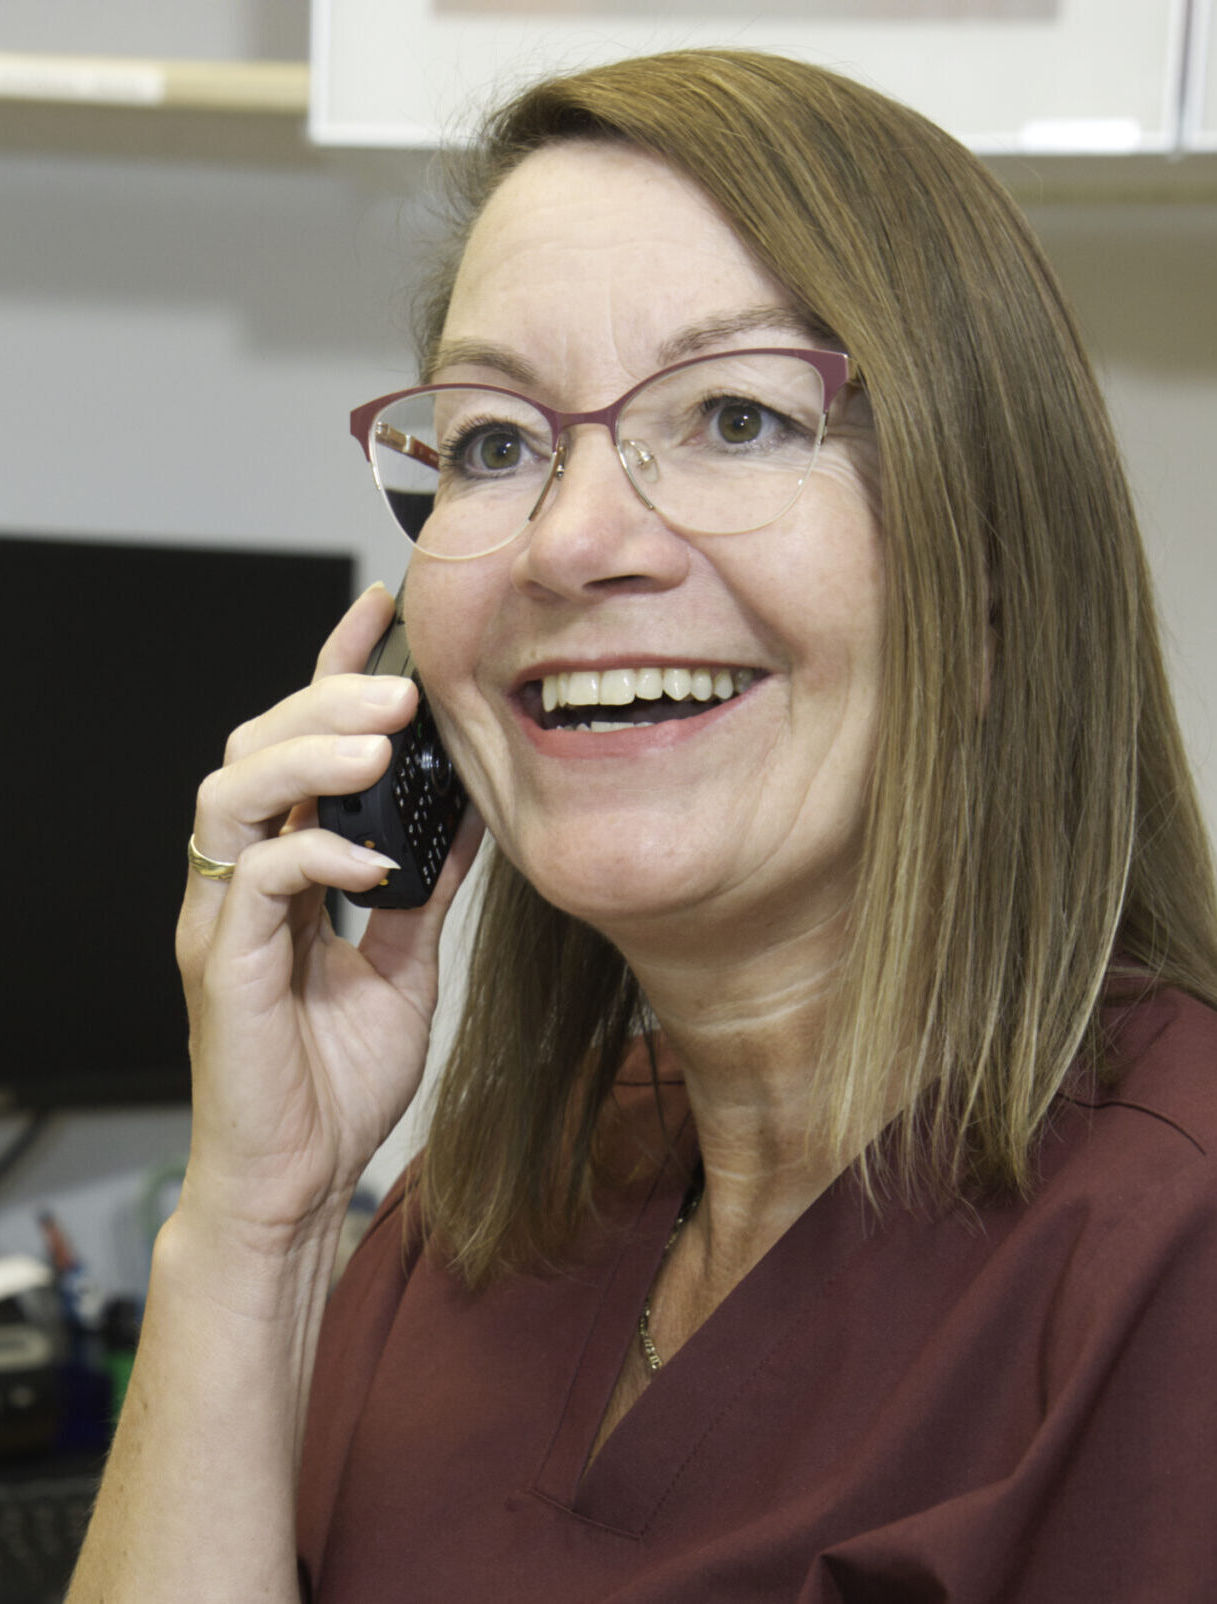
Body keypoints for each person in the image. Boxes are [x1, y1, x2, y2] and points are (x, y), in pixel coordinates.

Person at [66, 48, 1217, 1603]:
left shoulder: (1169, 1249)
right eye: (493, 442)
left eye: (735, 416)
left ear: (991, 577)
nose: (575, 539)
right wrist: (249, 1224)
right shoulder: (500, 1204)